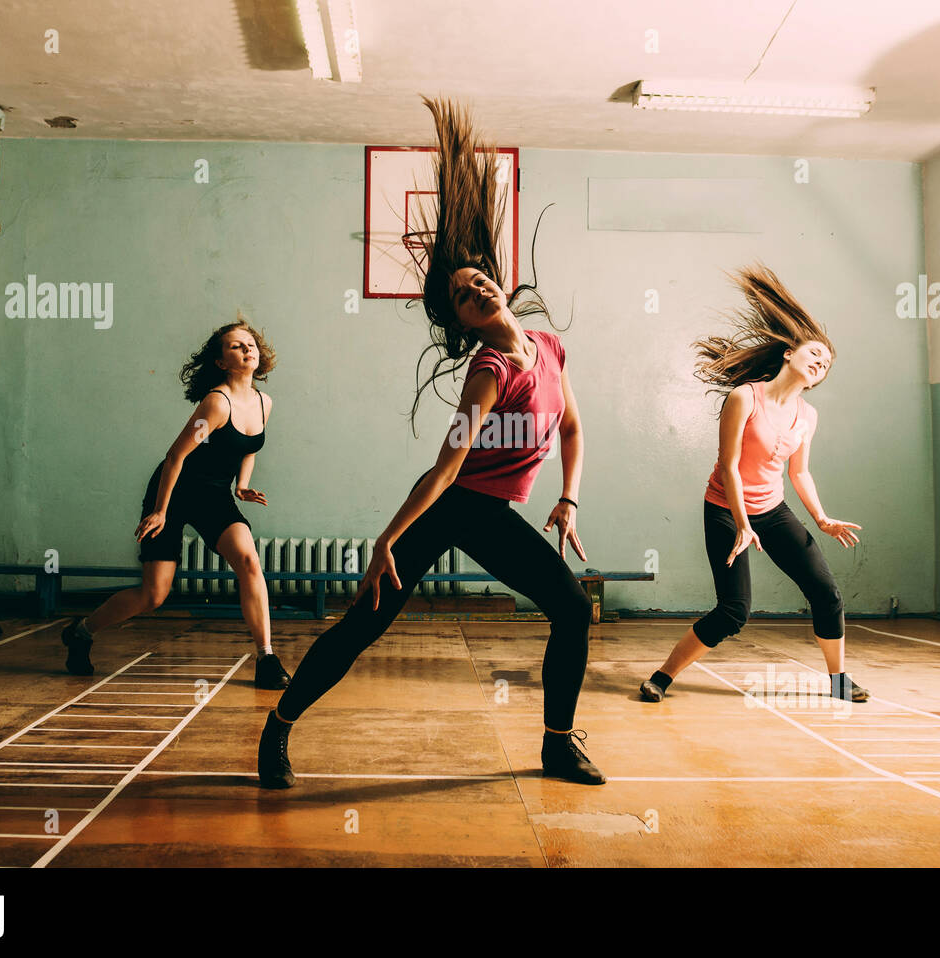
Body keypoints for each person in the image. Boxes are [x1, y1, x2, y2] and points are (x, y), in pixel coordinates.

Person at [256, 96, 604, 789]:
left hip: (495, 512)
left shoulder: (548, 346)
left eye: (480, 280)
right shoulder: (488, 372)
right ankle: (280, 727)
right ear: (462, 321)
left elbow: (569, 424)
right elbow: (445, 471)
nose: (476, 289)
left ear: (499, 285)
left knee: (570, 608)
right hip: (460, 506)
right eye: (463, 295)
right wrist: (388, 538)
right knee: (365, 626)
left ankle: (558, 744)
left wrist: (568, 498)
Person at [639, 265, 868, 705]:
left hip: (773, 510)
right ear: (789, 354)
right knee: (733, 611)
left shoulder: (808, 416)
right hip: (726, 508)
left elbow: (799, 472)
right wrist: (743, 524)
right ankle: (662, 677)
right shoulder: (745, 396)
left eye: (825, 366)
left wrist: (820, 519)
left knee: (827, 592)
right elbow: (728, 466)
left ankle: (839, 680)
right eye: (815, 353)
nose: (820, 363)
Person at [61, 319, 291, 690]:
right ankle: (81, 631)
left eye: (250, 343)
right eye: (236, 346)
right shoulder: (217, 403)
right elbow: (175, 457)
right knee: (154, 595)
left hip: (214, 495)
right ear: (221, 362)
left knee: (249, 560)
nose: (247, 349)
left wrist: (242, 486)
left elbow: (249, 446)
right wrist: (160, 511)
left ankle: (266, 658)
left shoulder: (264, 403)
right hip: (174, 490)